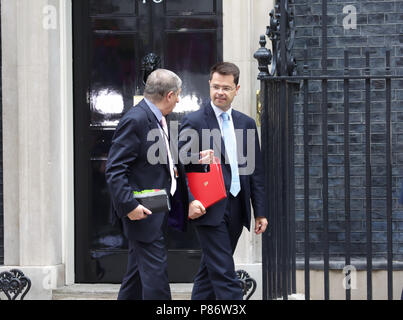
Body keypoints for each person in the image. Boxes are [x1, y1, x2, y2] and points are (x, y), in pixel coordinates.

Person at [105, 69, 210, 300]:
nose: (180, 99)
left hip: (157, 211)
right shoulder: (136, 119)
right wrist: (130, 206)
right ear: (169, 95)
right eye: (179, 95)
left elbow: (165, 163)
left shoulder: (157, 118)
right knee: (156, 281)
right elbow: (115, 169)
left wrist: (194, 160)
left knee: (135, 278)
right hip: (143, 213)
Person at [179, 62, 268, 300]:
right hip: (208, 207)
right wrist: (189, 201)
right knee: (225, 273)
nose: (220, 92)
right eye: (216, 86)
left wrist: (260, 212)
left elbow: (256, 170)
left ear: (236, 89)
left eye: (226, 88)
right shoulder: (194, 122)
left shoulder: (246, 123)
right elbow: (181, 168)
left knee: (210, 272)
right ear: (209, 85)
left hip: (238, 207)